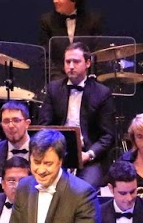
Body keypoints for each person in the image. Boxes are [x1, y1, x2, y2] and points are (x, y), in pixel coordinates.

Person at [39, 41, 116, 187]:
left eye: (76, 61)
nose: (71, 66)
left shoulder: (102, 93)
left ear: (87, 63)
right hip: (57, 151)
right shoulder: (53, 89)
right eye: (68, 62)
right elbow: (44, 125)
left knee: (84, 189)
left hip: (88, 155)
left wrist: (89, 154)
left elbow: (108, 136)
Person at [37, 0, 102, 48]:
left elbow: (97, 53)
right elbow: (44, 55)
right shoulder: (47, 21)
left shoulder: (93, 21)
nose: (55, 0)